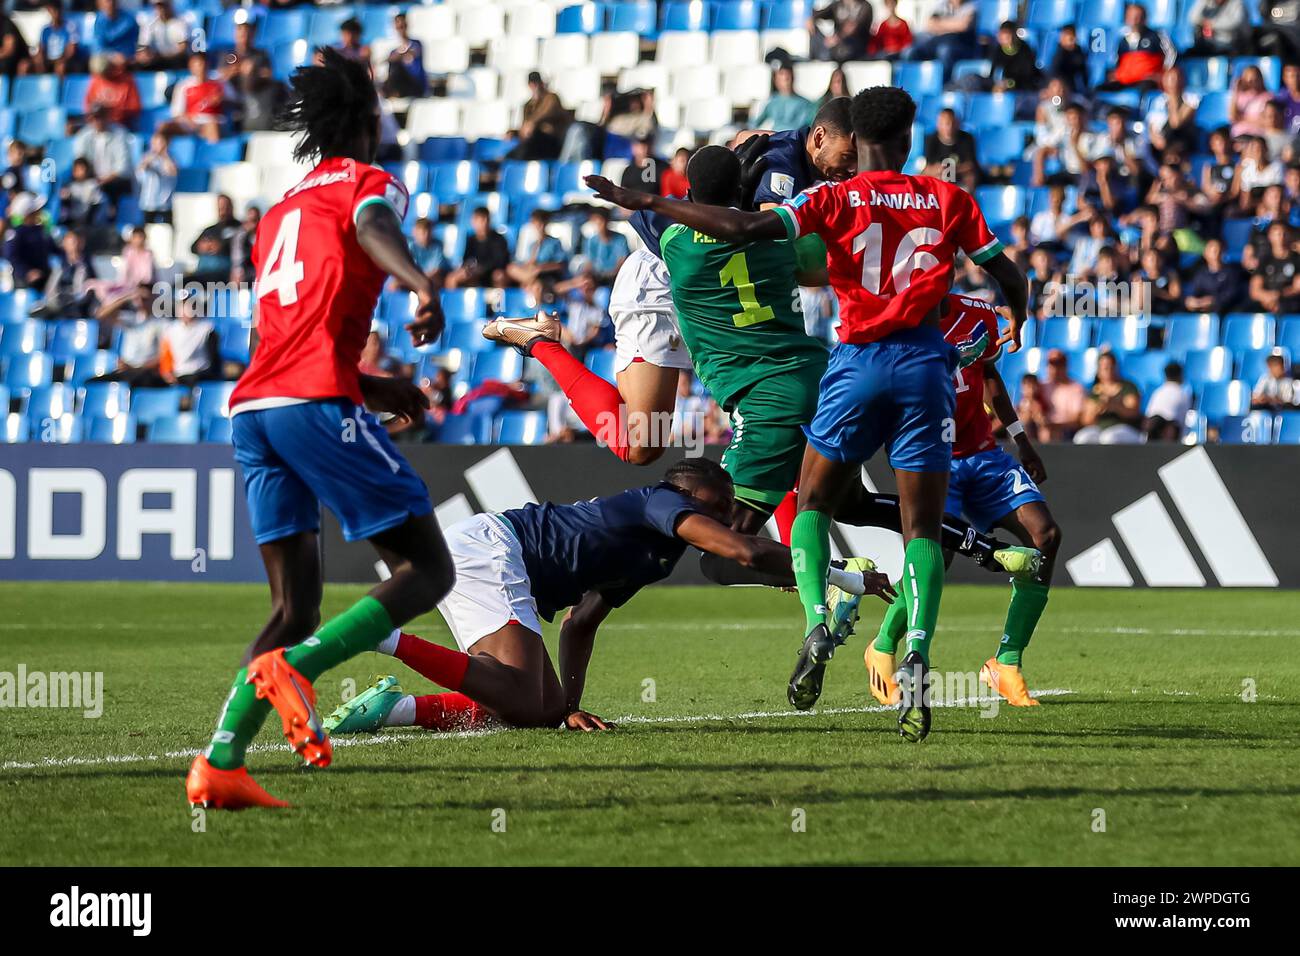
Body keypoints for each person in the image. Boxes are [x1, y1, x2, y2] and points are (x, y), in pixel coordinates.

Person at [584, 85, 1036, 740]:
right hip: (905, 370)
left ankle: (821, 611)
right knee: (908, 519)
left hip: (842, 372)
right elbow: (1007, 275)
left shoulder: (815, 205)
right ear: (909, 142)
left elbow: (737, 225)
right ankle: (918, 647)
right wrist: (1015, 315)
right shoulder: (948, 199)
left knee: (769, 529)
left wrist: (648, 198)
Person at [185, 48, 453, 811]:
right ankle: (299, 666)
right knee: (429, 570)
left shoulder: (277, 214)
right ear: (371, 122)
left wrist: (370, 382)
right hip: (311, 407)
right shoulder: (370, 184)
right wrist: (420, 283)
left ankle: (221, 762)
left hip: (255, 410)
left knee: (291, 603)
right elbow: (372, 223)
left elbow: (287, 334)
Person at [323, 460, 895, 736]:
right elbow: (744, 553)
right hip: (493, 551)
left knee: (540, 710)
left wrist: (570, 704)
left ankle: (395, 710)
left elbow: (580, 624)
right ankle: (386, 638)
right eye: (717, 504)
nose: (724, 515)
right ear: (688, 493)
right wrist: (841, 575)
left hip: (495, 558)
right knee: (524, 699)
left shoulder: (652, 553)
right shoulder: (658, 503)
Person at [869, 295, 1059, 710]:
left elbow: (989, 374)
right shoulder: (894, 321)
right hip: (933, 462)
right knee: (936, 559)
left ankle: (1005, 663)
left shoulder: (978, 314)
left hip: (984, 455)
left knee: (1045, 536)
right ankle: (882, 645)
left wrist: (1021, 439)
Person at [1073, 352, 1143, 443]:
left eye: (1111, 366)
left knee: (1109, 438)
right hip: (1100, 429)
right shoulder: (1094, 391)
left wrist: (1114, 406)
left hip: (1126, 428)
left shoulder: (1128, 387)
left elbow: (1133, 413)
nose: (1109, 370)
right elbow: (1086, 421)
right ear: (1098, 371)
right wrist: (1096, 410)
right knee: (1082, 438)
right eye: (1105, 367)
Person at [1100, 2, 1171, 91]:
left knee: (1145, 89)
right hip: (1125, 80)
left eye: (1138, 17)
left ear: (1145, 18)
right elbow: (1115, 62)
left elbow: (1171, 55)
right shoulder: (1122, 40)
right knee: (1100, 89)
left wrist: (1163, 74)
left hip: (1146, 81)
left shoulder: (1157, 36)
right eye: (1131, 17)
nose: (1134, 21)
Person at [160, 50, 225, 143]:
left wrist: (221, 99)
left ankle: (213, 153)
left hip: (212, 121)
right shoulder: (183, 86)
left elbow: (235, 101)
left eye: (203, 64)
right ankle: (158, 155)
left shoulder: (219, 83)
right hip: (191, 123)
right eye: (198, 64)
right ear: (191, 66)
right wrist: (189, 121)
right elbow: (177, 113)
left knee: (212, 126)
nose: (201, 68)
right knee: (164, 127)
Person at [444, 206, 509, 288]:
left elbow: (500, 262)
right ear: (473, 222)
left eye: (486, 219)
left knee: (499, 276)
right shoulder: (471, 239)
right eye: (481, 220)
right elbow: (467, 259)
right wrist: (467, 268)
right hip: (474, 272)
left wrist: (481, 268)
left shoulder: (499, 239)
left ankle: (501, 300)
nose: (484, 222)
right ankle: (454, 300)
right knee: (452, 278)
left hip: (490, 273)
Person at [510, 71, 569, 161]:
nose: (535, 86)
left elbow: (547, 111)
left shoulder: (551, 98)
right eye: (533, 84)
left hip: (551, 142)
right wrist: (514, 133)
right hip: (534, 142)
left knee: (530, 143)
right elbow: (525, 128)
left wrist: (532, 122)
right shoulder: (528, 105)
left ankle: (507, 160)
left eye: (537, 83)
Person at [922, 107, 980, 191]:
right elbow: (926, 168)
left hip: (960, 178)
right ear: (938, 124)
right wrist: (940, 170)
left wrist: (952, 169)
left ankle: (967, 201)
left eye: (952, 123)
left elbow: (971, 164)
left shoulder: (967, 139)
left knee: (970, 177)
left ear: (958, 123)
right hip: (940, 179)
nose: (949, 127)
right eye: (945, 123)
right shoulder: (930, 140)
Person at [1038, 348, 1087, 441]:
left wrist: (1055, 425)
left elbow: (1077, 419)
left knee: (1051, 432)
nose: (1055, 369)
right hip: (1042, 429)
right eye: (1052, 364)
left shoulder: (1076, 388)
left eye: (1059, 364)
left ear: (1065, 366)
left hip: (1066, 431)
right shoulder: (1041, 386)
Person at [29, 0, 84, 77]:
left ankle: (59, 88)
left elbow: (71, 50)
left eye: (57, 9)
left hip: (65, 61)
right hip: (49, 61)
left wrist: (59, 60)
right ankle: (41, 85)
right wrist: (39, 59)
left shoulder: (70, 27)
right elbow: (41, 49)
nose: (55, 13)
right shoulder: (45, 30)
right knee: (31, 64)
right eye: (52, 10)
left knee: (61, 67)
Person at [753, 65, 815, 132]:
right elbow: (755, 124)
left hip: (794, 139)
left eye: (788, 78)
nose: (785, 81)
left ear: (793, 78)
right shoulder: (772, 102)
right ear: (776, 80)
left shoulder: (805, 104)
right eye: (781, 77)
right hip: (775, 138)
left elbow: (804, 127)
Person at [83, 53, 140, 127]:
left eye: (105, 73)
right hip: (97, 126)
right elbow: (88, 103)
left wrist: (112, 111)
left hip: (119, 126)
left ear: (111, 67)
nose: (102, 76)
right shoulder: (96, 79)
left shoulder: (127, 80)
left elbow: (134, 108)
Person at [136, 130, 177, 224]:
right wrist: (151, 157)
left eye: (160, 143)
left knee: (167, 230)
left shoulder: (170, 159)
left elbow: (173, 172)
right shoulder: (147, 157)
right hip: (148, 202)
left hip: (165, 203)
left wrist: (165, 155)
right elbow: (142, 168)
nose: (156, 146)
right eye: (154, 143)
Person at [135, 0, 190, 70]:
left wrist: (162, 56)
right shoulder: (149, 23)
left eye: (163, 5)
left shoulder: (180, 21)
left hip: (175, 60)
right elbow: (142, 47)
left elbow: (182, 49)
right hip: (156, 60)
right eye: (157, 6)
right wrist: (145, 55)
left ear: (170, 5)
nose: (161, 9)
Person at [382, 11, 426, 98]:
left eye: (403, 25)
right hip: (401, 85)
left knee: (397, 66)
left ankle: (393, 92)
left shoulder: (416, 44)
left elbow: (411, 54)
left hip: (416, 85)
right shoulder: (393, 51)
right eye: (399, 26)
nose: (401, 29)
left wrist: (393, 58)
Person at [1145, 361, 1190, 440]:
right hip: (1168, 440)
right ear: (1181, 375)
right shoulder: (1183, 394)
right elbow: (1183, 423)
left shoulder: (1157, 392)